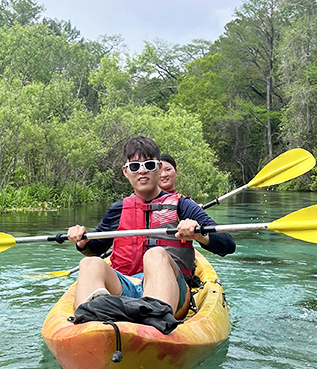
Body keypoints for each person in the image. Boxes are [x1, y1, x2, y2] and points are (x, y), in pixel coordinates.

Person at [67, 136, 235, 320]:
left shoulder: (182, 205)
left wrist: (199, 234)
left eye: (149, 165)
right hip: (125, 286)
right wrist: (83, 243)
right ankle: (91, 323)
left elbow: (228, 244)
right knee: (89, 264)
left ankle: (155, 318)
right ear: (125, 171)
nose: (142, 171)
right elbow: (95, 249)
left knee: (155, 254)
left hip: (171, 290)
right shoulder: (118, 210)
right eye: (134, 166)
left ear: (159, 167)